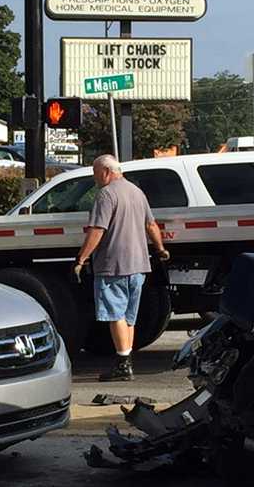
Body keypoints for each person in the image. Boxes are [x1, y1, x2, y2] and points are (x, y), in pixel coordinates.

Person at [74, 154, 169, 382]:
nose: (95, 178)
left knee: (115, 314)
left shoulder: (106, 195)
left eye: (96, 173)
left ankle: (122, 364)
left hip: (113, 264)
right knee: (129, 317)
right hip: (138, 265)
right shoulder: (137, 192)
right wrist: (160, 249)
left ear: (106, 171)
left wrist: (81, 259)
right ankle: (126, 360)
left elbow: (97, 229)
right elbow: (151, 225)